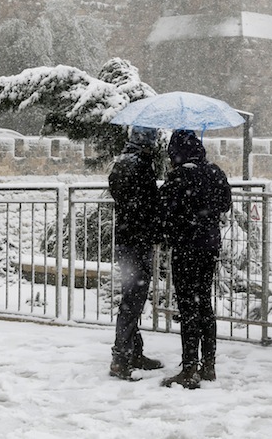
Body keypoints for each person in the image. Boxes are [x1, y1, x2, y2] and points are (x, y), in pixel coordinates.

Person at [158, 129, 233, 389]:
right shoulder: (215, 172)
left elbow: (164, 212)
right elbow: (225, 204)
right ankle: (208, 364)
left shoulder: (179, 177)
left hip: (186, 247)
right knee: (204, 304)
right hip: (209, 245)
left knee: (188, 307)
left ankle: (189, 368)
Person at [107, 125, 166, 381]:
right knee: (133, 299)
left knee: (132, 296)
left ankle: (133, 351)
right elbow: (148, 204)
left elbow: (120, 197)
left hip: (125, 238)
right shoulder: (141, 165)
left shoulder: (120, 163)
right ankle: (121, 358)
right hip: (137, 240)